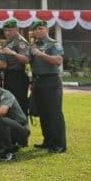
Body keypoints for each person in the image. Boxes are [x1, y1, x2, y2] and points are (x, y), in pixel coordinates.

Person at [29, 20, 67, 153]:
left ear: (46, 30)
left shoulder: (53, 44)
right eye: (36, 29)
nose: (38, 31)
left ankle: (59, 144)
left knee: (54, 113)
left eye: (40, 28)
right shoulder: (33, 45)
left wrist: (42, 54)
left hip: (51, 81)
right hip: (38, 81)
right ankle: (48, 141)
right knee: (43, 113)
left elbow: (58, 60)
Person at [0, 19, 31, 113]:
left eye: (10, 30)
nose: (7, 33)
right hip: (8, 75)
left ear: (17, 29)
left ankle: (22, 122)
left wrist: (12, 53)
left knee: (19, 103)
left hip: (18, 76)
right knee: (9, 103)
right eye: (5, 30)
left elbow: (26, 59)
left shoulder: (21, 42)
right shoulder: (6, 42)